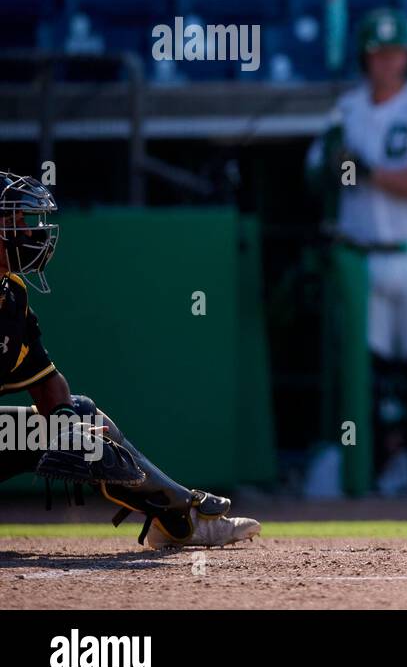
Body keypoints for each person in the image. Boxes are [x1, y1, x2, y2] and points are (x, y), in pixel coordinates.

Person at [0, 171, 260, 547]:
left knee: (83, 417)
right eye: (13, 222)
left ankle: (183, 518)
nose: (29, 233)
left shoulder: (12, 296)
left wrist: (67, 426)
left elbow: (49, 387)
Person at [308, 8, 407, 494]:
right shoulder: (345, 110)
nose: (387, 63)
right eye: (378, 54)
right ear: (365, 58)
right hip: (364, 258)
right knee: (370, 381)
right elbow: (315, 178)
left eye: (396, 53)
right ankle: (368, 488)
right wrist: (335, 164)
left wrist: (363, 169)